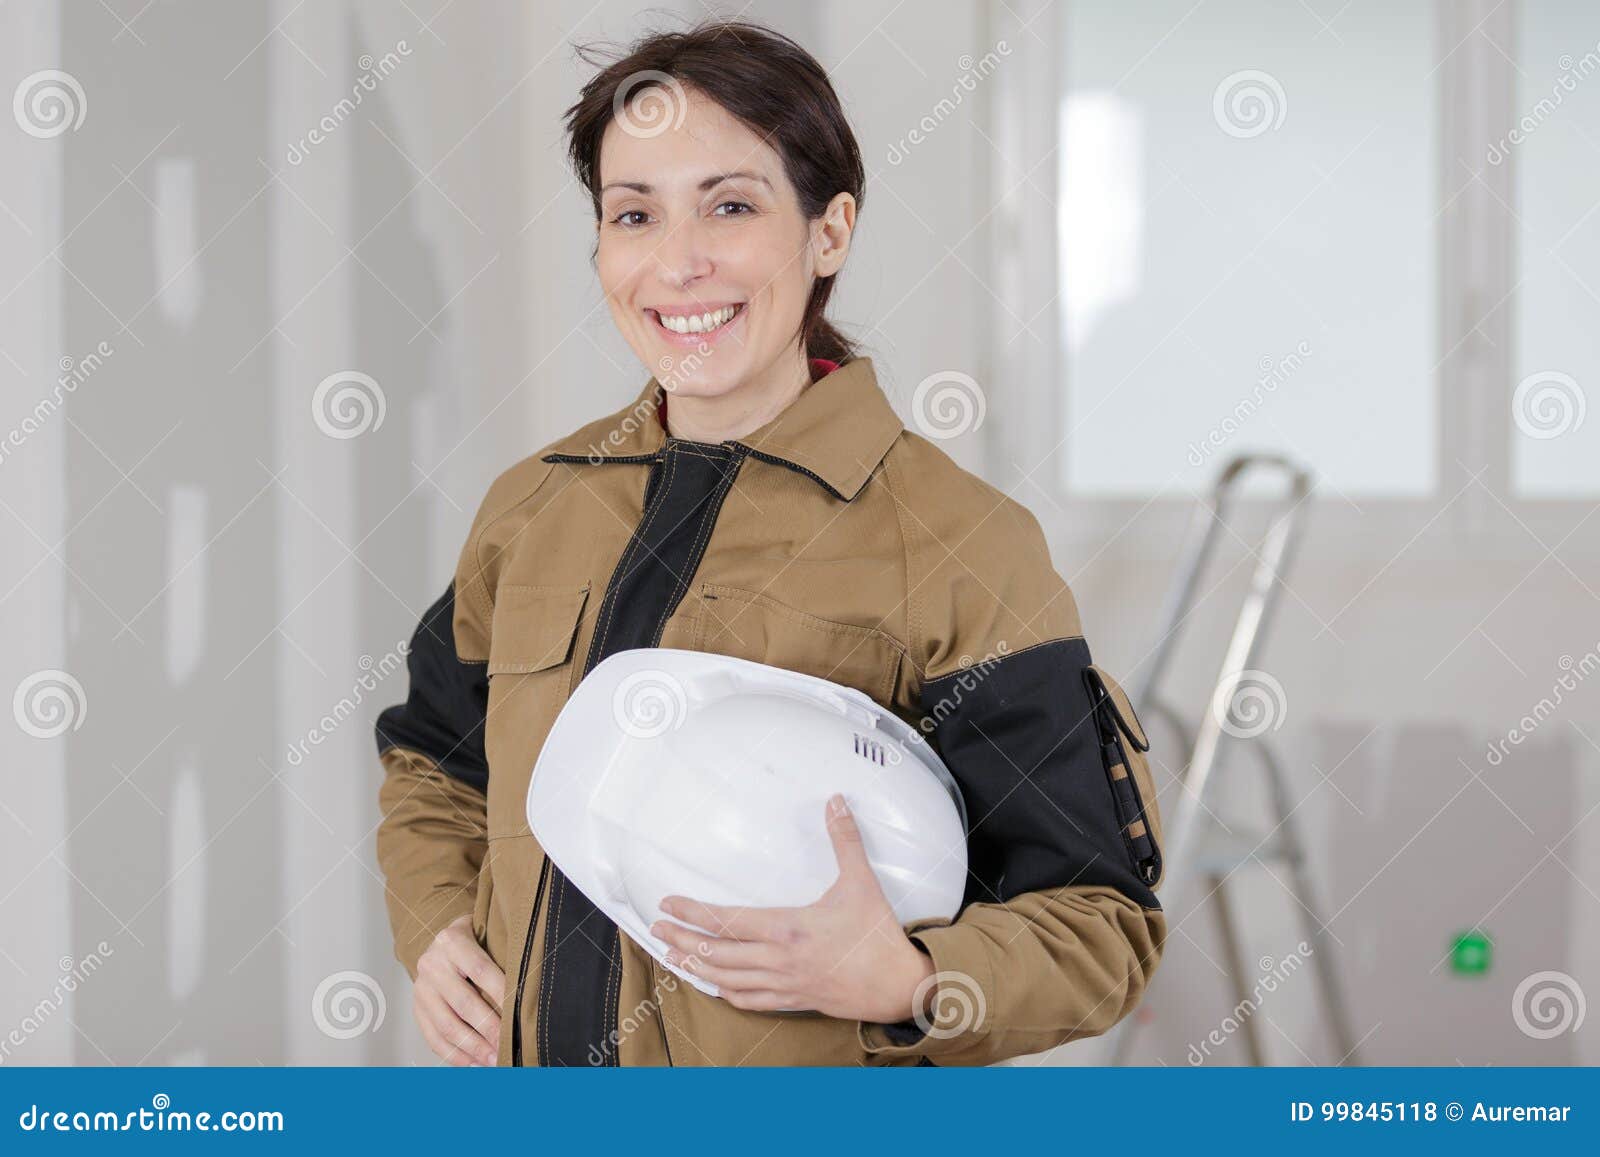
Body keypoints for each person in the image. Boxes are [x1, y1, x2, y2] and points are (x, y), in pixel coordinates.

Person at [374, 19, 1164, 1068]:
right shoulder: (534, 507)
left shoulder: (956, 540)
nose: (678, 263)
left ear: (828, 232)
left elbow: (1097, 924)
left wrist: (912, 980)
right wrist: (434, 926)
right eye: (634, 214)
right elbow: (434, 757)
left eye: (731, 205)